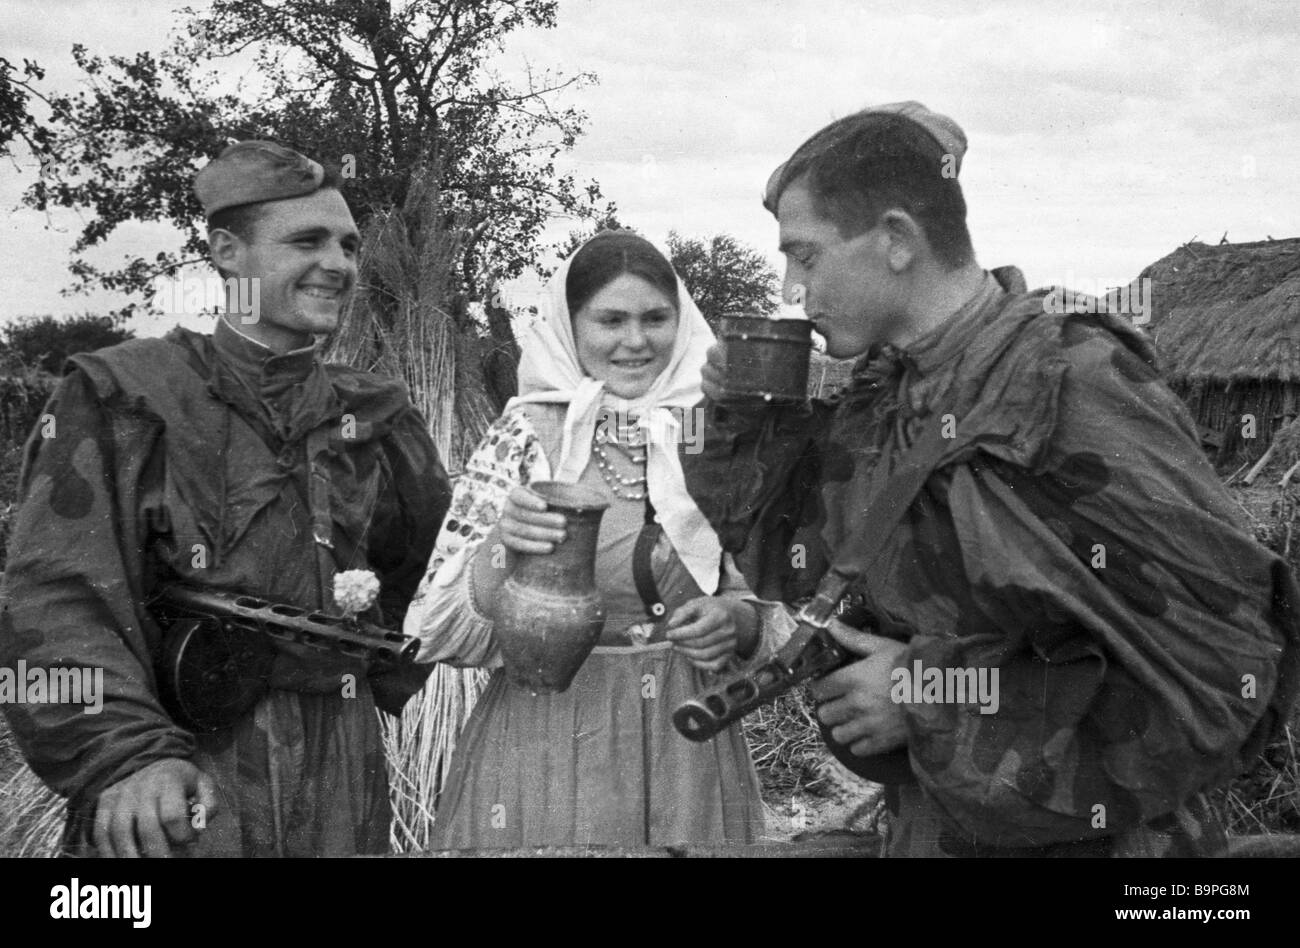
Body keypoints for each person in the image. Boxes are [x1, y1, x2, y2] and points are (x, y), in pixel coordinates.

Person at [683, 102, 1300, 857]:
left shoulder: (1071, 386)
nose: (789, 289)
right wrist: (737, 418)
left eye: (805, 257)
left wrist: (927, 693)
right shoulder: (886, 392)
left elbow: (1220, 672)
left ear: (898, 241)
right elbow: (797, 565)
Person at [0, 140, 451, 857]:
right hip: (176, 774)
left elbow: (434, 574)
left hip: (341, 771)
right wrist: (123, 755)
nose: (337, 263)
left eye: (348, 244)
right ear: (227, 252)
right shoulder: (126, 395)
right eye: (307, 240)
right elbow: (57, 602)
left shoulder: (380, 418)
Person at [404, 231, 793, 849]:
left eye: (655, 318)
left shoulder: (723, 438)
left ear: (682, 319)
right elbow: (436, 632)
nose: (635, 341)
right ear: (570, 325)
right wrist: (503, 546)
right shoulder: (526, 437)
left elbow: (782, 610)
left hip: (688, 745)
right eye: (610, 319)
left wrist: (737, 624)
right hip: (546, 741)